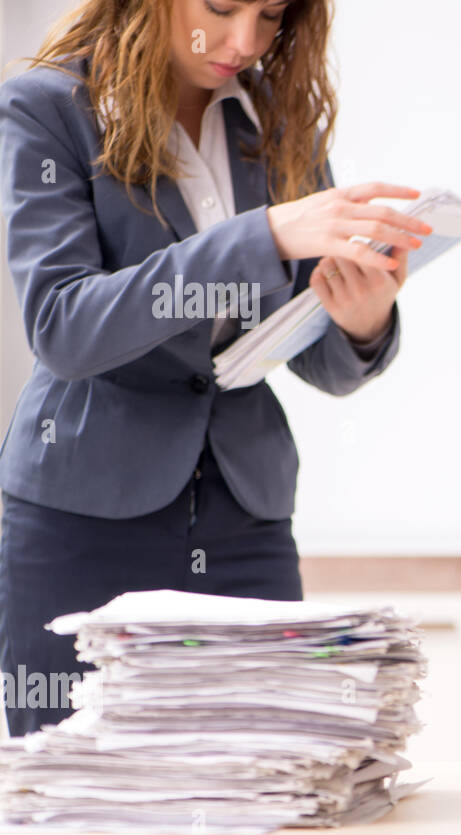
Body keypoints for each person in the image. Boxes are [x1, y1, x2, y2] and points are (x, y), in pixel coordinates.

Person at [0, 0, 433, 736]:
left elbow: (318, 360)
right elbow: (63, 325)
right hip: (81, 523)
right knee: (81, 810)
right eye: (222, 7)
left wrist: (361, 319)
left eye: (270, 15)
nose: (245, 41)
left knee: (269, 782)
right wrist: (262, 234)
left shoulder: (278, 121)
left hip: (245, 525)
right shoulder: (46, 109)